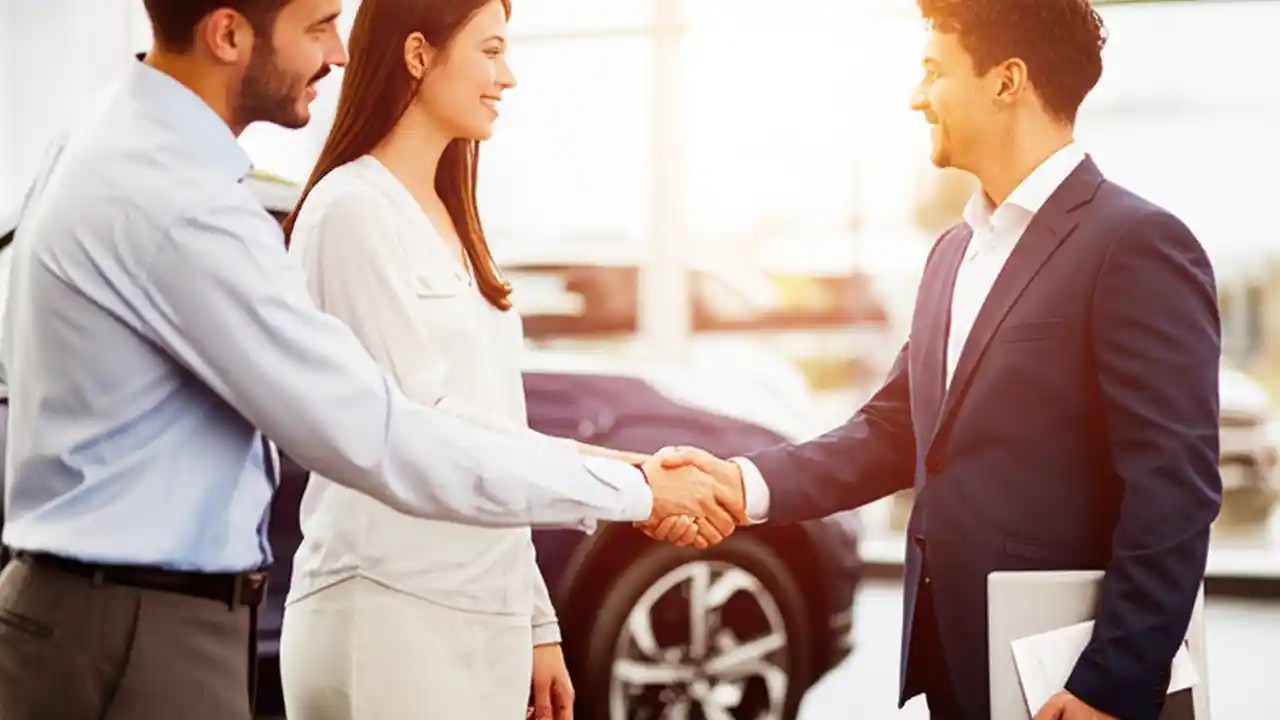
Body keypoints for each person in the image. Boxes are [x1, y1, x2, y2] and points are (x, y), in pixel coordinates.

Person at [0, 1, 742, 718]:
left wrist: (536, 611)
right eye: (318, 24)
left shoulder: (123, 150)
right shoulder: (185, 201)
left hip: (138, 613)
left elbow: (462, 420)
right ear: (227, 33)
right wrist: (634, 487)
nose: (341, 51)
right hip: (154, 625)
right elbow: (387, 433)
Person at [652, 1, 1221, 719]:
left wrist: (1109, 684)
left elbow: (1173, 491)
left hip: (1071, 679)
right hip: (958, 659)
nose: (917, 97)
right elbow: (894, 431)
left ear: (1006, 80)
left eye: (933, 71)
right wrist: (741, 483)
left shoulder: (1136, 245)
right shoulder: (953, 253)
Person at [274, 1, 710, 718]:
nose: (507, 77)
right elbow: (425, 437)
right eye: (491, 51)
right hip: (386, 618)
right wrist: (633, 486)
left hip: (480, 621)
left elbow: (493, 430)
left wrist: (535, 620)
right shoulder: (350, 212)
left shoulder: (452, 215)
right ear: (418, 54)